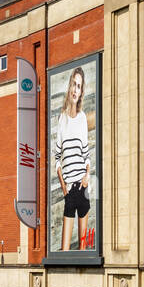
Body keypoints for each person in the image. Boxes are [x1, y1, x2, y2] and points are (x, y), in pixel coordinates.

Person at [54, 66, 91, 251]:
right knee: (64, 249)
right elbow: (57, 157)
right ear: (69, 87)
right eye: (74, 84)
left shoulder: (83, 118)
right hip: (69, 190)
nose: (76, 89)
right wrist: (63, 187)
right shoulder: (62, 119)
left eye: (79, 86)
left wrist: (86, 178)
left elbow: (86, 153)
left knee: (83, 248)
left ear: (81, 91)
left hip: (83, 187)